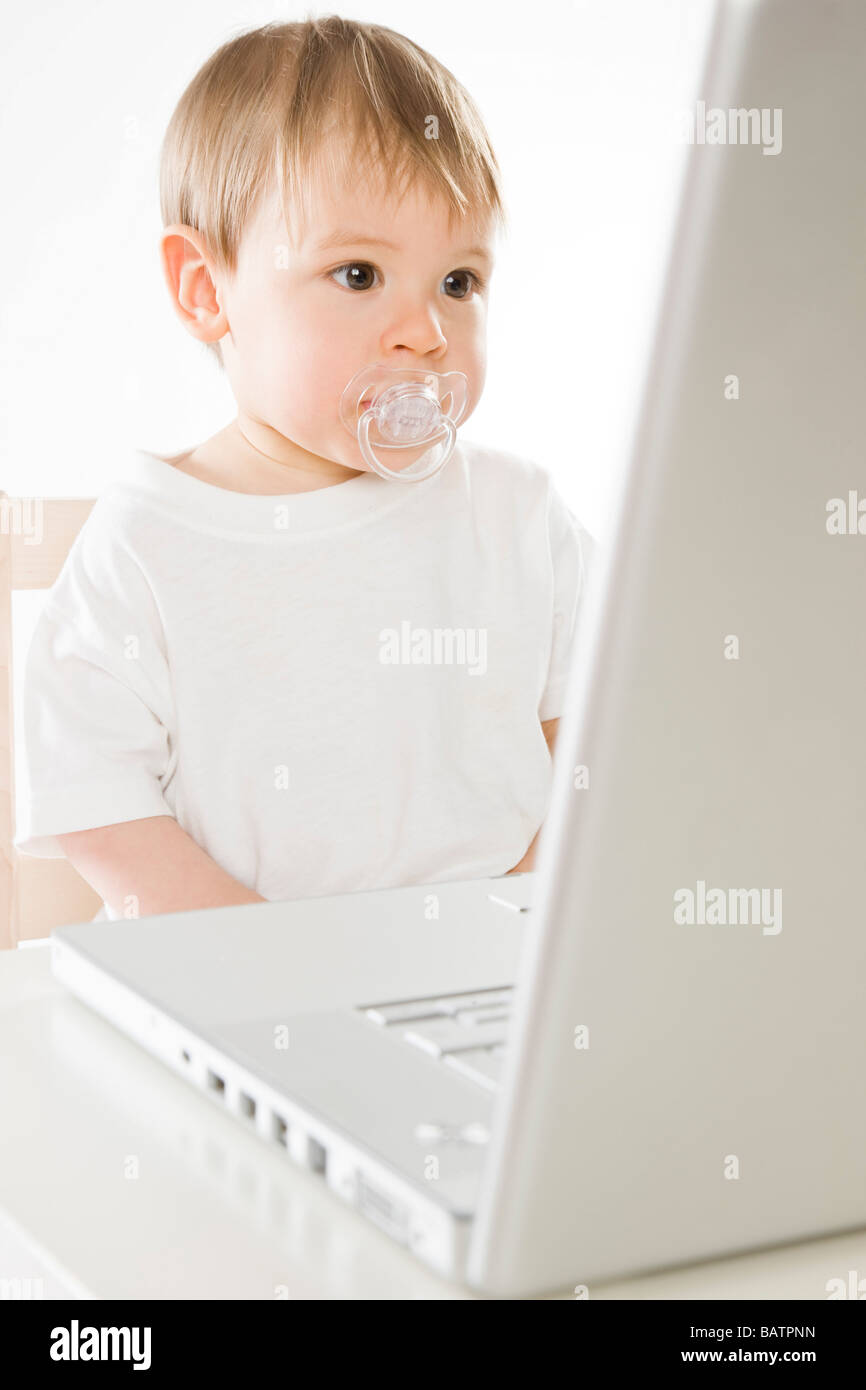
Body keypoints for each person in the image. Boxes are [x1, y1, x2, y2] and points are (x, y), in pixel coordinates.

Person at [14, 16, 595, 921]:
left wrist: (534, 910)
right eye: (360, 275)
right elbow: (98, 806)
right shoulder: (146, 545)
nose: (427, 332)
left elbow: (594, 747)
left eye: (460, 281)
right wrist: (270, 961)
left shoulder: (517, 516)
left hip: (489, 976)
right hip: (232, 984)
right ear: (207, 290)